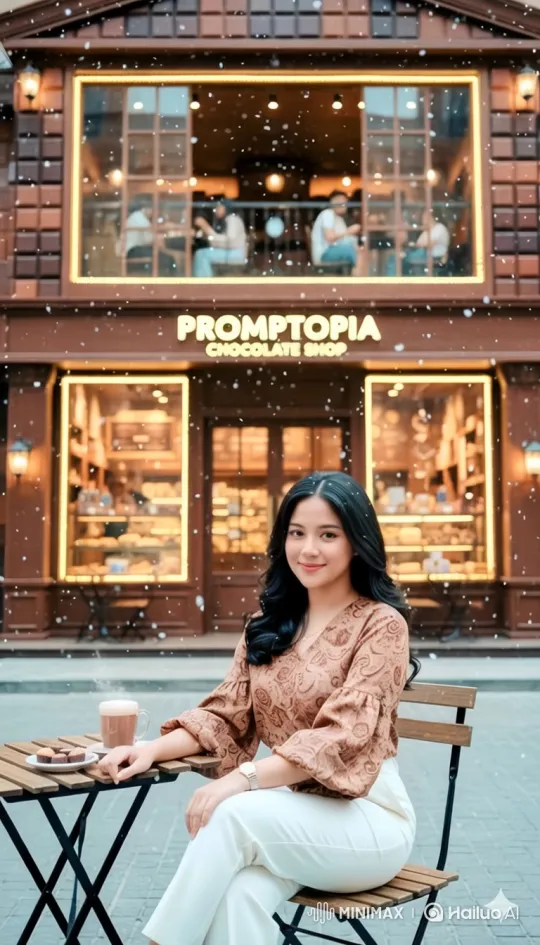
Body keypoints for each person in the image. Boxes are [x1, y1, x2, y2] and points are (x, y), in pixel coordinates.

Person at [98, 471, 420, 945]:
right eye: (297, 533)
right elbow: (226, 714)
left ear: (357, 543)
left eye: (328, 535)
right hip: (295, 816)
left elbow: (340, 736)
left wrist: (243, 779)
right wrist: (151, 750)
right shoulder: (268, 625)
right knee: (238, 900)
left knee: (232, 813)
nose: (308, 549)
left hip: (369, 818)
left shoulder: (381, 625)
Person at [122, 195, 176, 276]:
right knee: (168, 259)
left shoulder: (136, 216)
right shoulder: (140, 218)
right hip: (134, 252)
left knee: (161, 256)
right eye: (152, 209)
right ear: (147, 208)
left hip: (131, 251)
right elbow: (149, 239)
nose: (153, 213)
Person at [192, 199, 247, 277]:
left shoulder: (232, 219)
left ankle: (204, 282)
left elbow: (230, 241)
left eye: (219, 207)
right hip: (232, 251)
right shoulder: (228, 219)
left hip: (235, 253)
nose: (216, 210)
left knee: (201, 254)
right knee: (201, 253)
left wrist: (207, 229)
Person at [310, 190, 361, 273]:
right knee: (350, 250)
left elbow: (345, 240)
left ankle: (358, 277)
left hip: (335, 250)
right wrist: (348, 231)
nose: (345, 206)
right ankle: (360, 278)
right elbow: (329, 238)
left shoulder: (339, 219)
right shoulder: (327, 214)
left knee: (360, 251)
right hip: (324, 254)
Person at [404, 210, 450, 275]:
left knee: (414, 262)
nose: (422, 220)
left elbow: (431, 243)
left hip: (436, 258)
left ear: (431, 217)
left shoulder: (439, 228)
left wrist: (419, 245)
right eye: (422, 218)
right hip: (425, 257)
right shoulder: (425, 232)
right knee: (408, 257)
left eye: (424, 217)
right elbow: (418, 244)